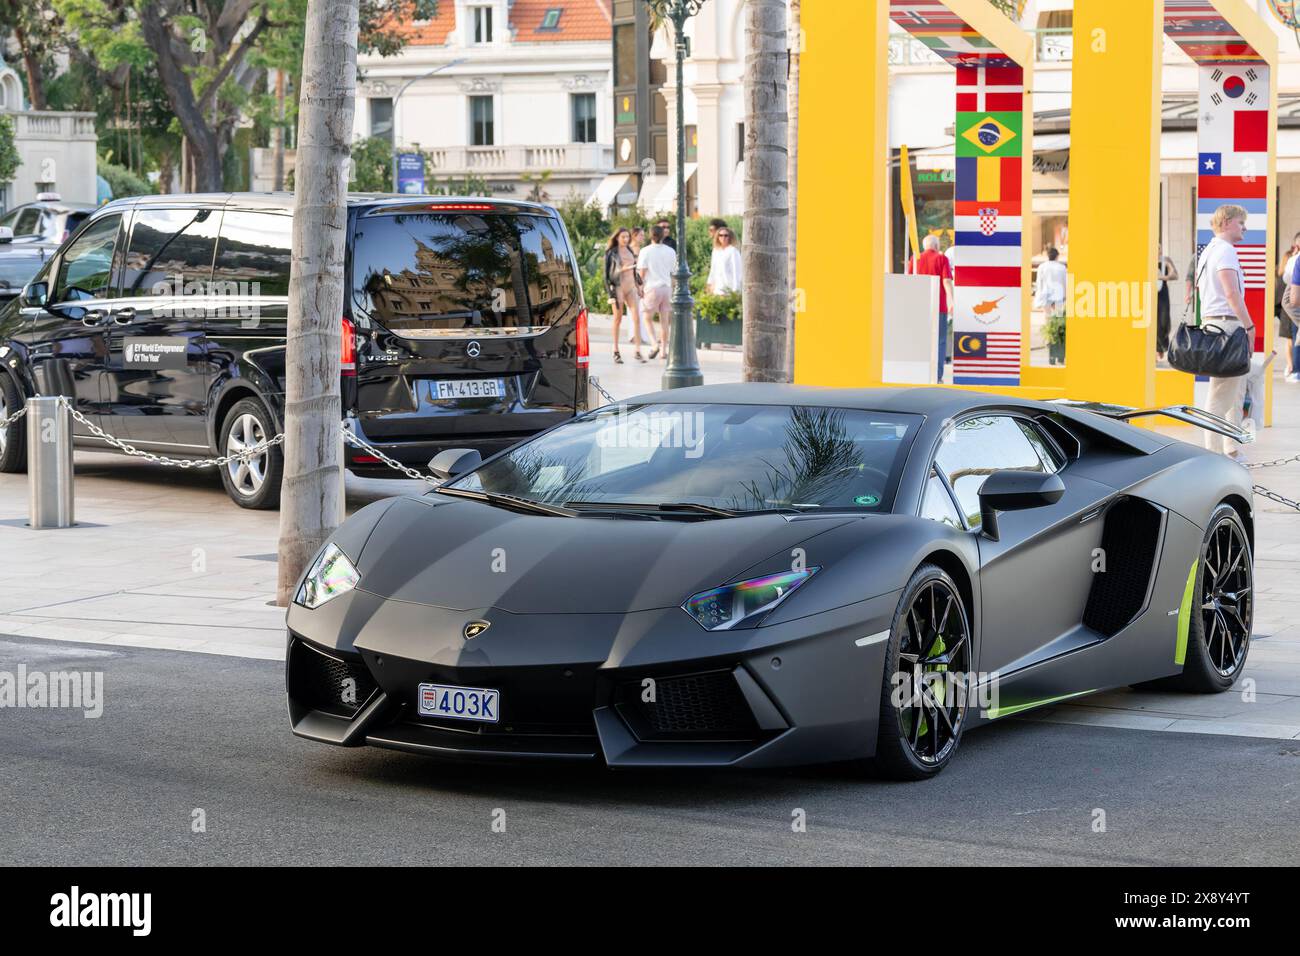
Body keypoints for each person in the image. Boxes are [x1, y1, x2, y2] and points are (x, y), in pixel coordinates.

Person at [1196, 204, 1255, 457]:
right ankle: (1215, 452)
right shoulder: (1226, 251)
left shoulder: (1209, 251)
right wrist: (1249, 325)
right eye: (1241, 222)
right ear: (1227, 221)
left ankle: (1230, 448)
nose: (1245, 228)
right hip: (1227, 325)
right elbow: (1231, 292)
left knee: (1234, 389)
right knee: (1222, 393)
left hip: (1215, 323)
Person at [910, 235, 955, 382]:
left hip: (919, 306)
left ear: (925, 246)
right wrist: (951, 300)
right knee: (940, 341)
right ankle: (937, 376)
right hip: (939, 306)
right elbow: (947, 281)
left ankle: (919, 374)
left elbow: (909, 280)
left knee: (920, 339)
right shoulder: (942, 259)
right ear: (936, 245)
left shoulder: (915, 259)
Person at [603, 227, 645, 363]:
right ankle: (616, 350)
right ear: (617, 238)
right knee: (618, 319)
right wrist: (610, 294)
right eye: (623, 237)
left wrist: (639, 286)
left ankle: (637, 350)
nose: (626, 239)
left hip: (631, 287)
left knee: (636, 318)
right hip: (618, 287)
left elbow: (635, 271)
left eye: (627, 237)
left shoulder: (630, 250)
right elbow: (606, 275)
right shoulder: (611, 253)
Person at [637, 224, 676, 359]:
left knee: (647, 317)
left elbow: (642, 273)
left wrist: (639, 288)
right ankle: (664, 351)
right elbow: (673, 271)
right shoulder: (671, 251)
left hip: (652, 287)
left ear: (650, 235)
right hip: (667, 287)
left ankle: (654, 344)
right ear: (663, 235)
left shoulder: (645, 251)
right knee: (664, 321)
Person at [1279, 234, 1300, 381]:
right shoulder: (1294, 259)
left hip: (1294, 300)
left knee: (1293, 337)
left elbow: (1291, 300)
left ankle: (1295, 369)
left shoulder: (1295, 259)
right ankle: (1294, 368)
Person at [1156, 244, 1178, 359]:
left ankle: (1162, 346)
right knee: (1152, 320)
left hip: (1162, 292)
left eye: (1158, 248)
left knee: (1163, 321)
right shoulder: (1145, 258)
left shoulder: (1165, 260)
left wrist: (1162, 277)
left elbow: (1175, 275)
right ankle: (1155, 350)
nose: (1157, 250)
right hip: (1148, 291)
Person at [706, 226, 742, 294]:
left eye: (726, 235)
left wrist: (736, 291)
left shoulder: (733, 251)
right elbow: (713, 269)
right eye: (721, 235)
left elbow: (737, 272)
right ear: (717, 237)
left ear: (729, 237)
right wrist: (709, 283)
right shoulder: (716, 251)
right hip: (717, 289)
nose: (723, 238)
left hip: (729, 290)